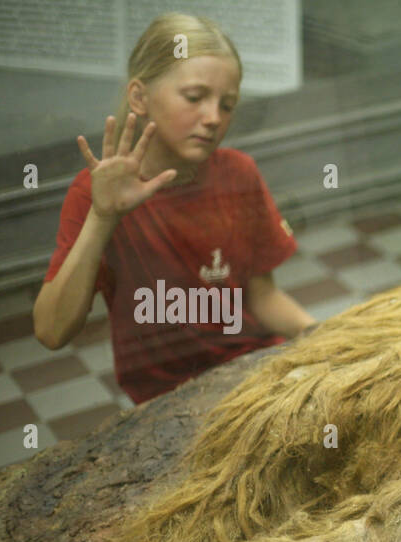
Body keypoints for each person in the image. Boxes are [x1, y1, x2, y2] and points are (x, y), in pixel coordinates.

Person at [33, 13, 315, 404]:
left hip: (254, 373)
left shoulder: (238, 172)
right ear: (140, 97)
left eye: (227, 104)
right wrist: (103, 217)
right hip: (166, 400)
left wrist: (321, 334)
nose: (213, 117)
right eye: (195, 97)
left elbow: (260, 296)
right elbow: (51, 331)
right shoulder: (93, 195)